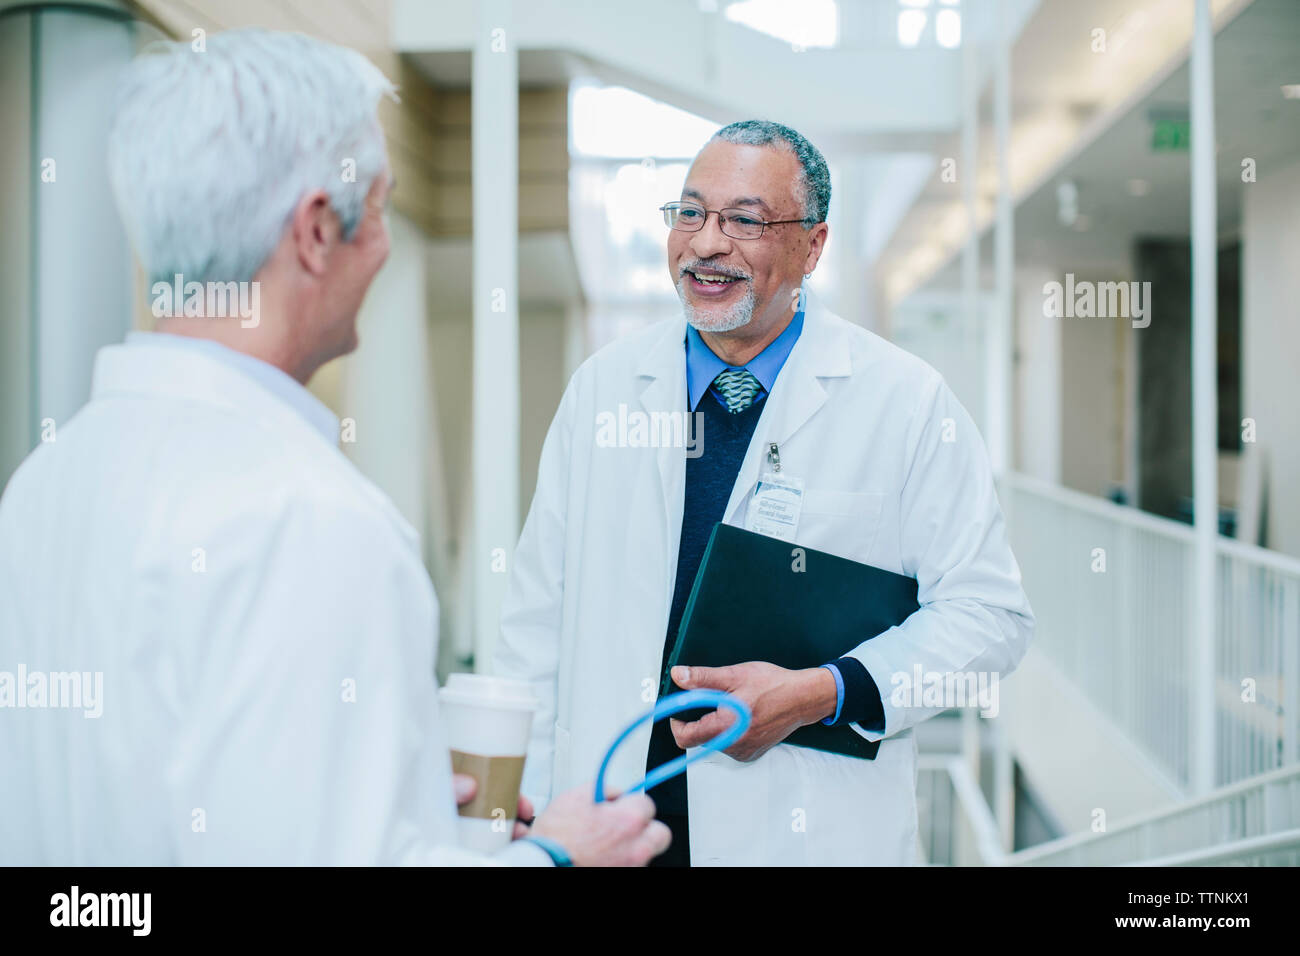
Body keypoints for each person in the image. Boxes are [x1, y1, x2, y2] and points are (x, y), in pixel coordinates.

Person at [0, 28, 668, 867]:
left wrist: (402, 792)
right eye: (381, 207)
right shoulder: (307, 518)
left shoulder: (45, 481)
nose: (383, 244)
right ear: (318, 230)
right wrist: (560, 856)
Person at [495, 120, 1034, 866]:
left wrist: (823, 690)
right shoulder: (604, 389)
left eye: (744, 220)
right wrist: (513, 818)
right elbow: (533, 627)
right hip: (609, 828)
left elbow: (989, 616)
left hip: (803, 831)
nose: (707, 243)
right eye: (690, 213)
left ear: (812, 246)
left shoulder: (906, 403)